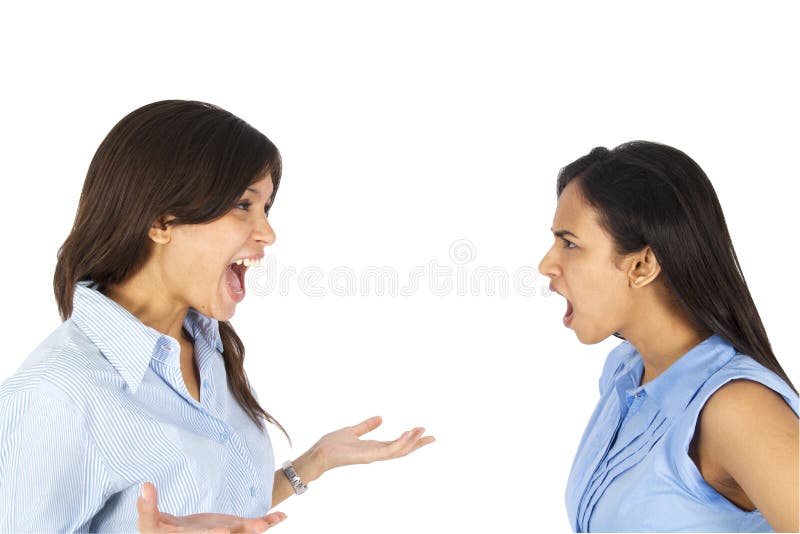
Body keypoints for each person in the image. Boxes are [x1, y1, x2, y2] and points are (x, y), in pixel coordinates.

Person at [0, 100, 435, 533]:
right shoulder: (56, 394)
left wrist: (313, 462)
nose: (268, 233)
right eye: (244, 205)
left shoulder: (206, 347)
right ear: (161, 220)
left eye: (266, 208)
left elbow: (214, 504)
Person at [538, 141, 799, 533]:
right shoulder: (625, 373)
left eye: (570, 243)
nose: (546, 264)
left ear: (642, 265)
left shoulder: (737, 410)